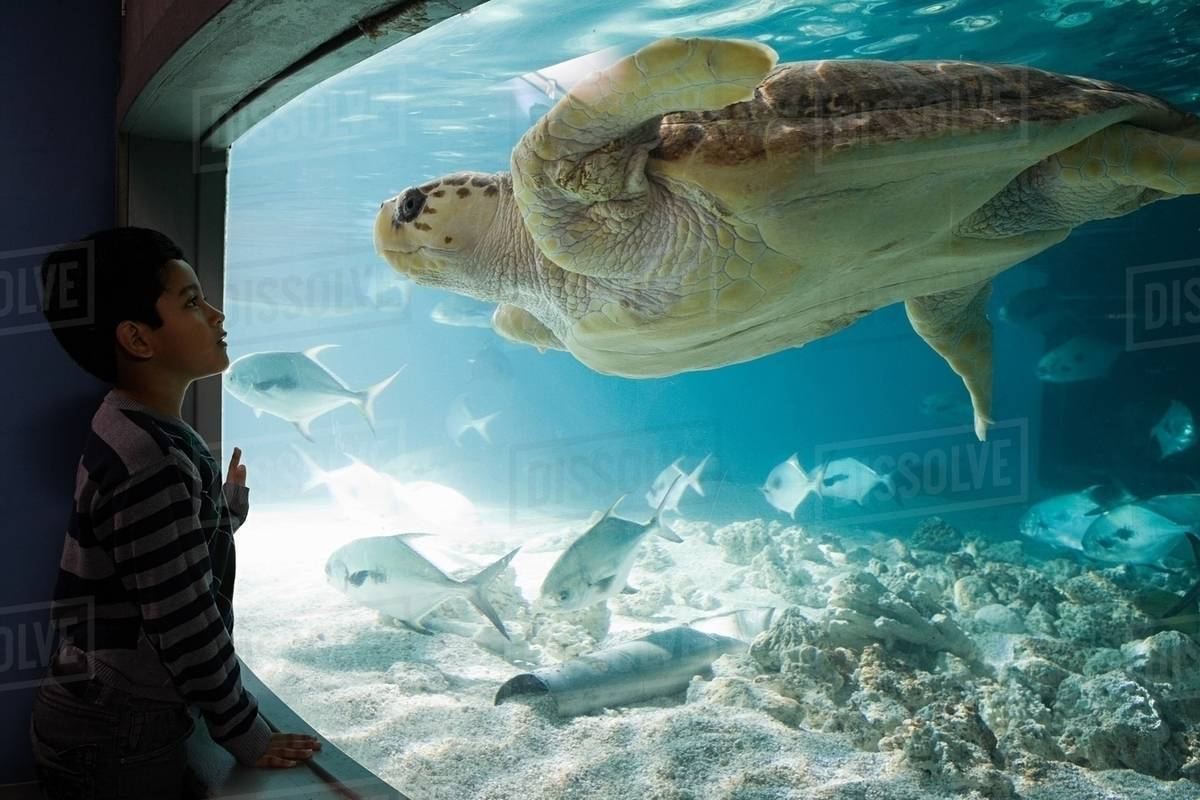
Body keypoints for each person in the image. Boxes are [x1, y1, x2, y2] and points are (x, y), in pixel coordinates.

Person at [32, 227, 320, 798]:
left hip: (99, 707)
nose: (215, 313)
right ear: (139, 339)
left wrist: (224, 508)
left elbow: (156, 553)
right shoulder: (150, 458)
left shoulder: (130, 423)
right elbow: (184, 619)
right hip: (119, 732)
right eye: (191, 302)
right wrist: (244, 733)